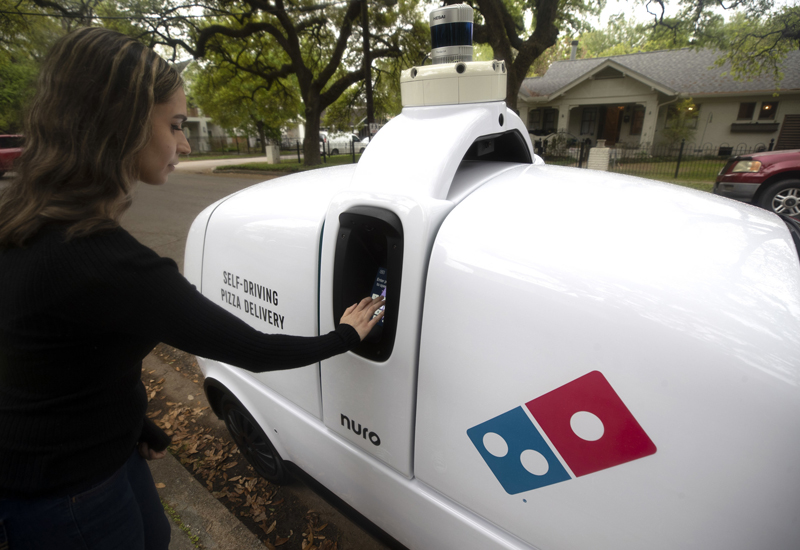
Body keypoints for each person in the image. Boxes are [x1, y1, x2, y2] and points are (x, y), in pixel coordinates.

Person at [0, 27, 384, 550]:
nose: (183, 143)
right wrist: (344, 336)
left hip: (87, 457)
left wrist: (133, 425)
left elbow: (57, 357)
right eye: (176, 125)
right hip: (67, 493)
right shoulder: (108, 264)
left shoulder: (27, 217)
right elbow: (252, 348)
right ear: (123, 125)